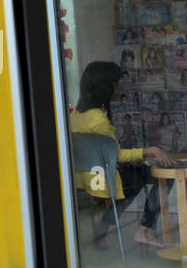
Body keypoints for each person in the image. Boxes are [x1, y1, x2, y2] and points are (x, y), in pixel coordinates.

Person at [70, 62, 174, 250]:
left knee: (137, 175)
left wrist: (133, 157)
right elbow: (115, 155)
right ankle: (144, 230)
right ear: (105, 87)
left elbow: (105, 150)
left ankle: (103, 227)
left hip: (90, 176)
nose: (119, 88)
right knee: (165, 176)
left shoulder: (77, 114)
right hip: (105, 178)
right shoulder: (99, 119)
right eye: (116, 84)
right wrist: (150, 150)